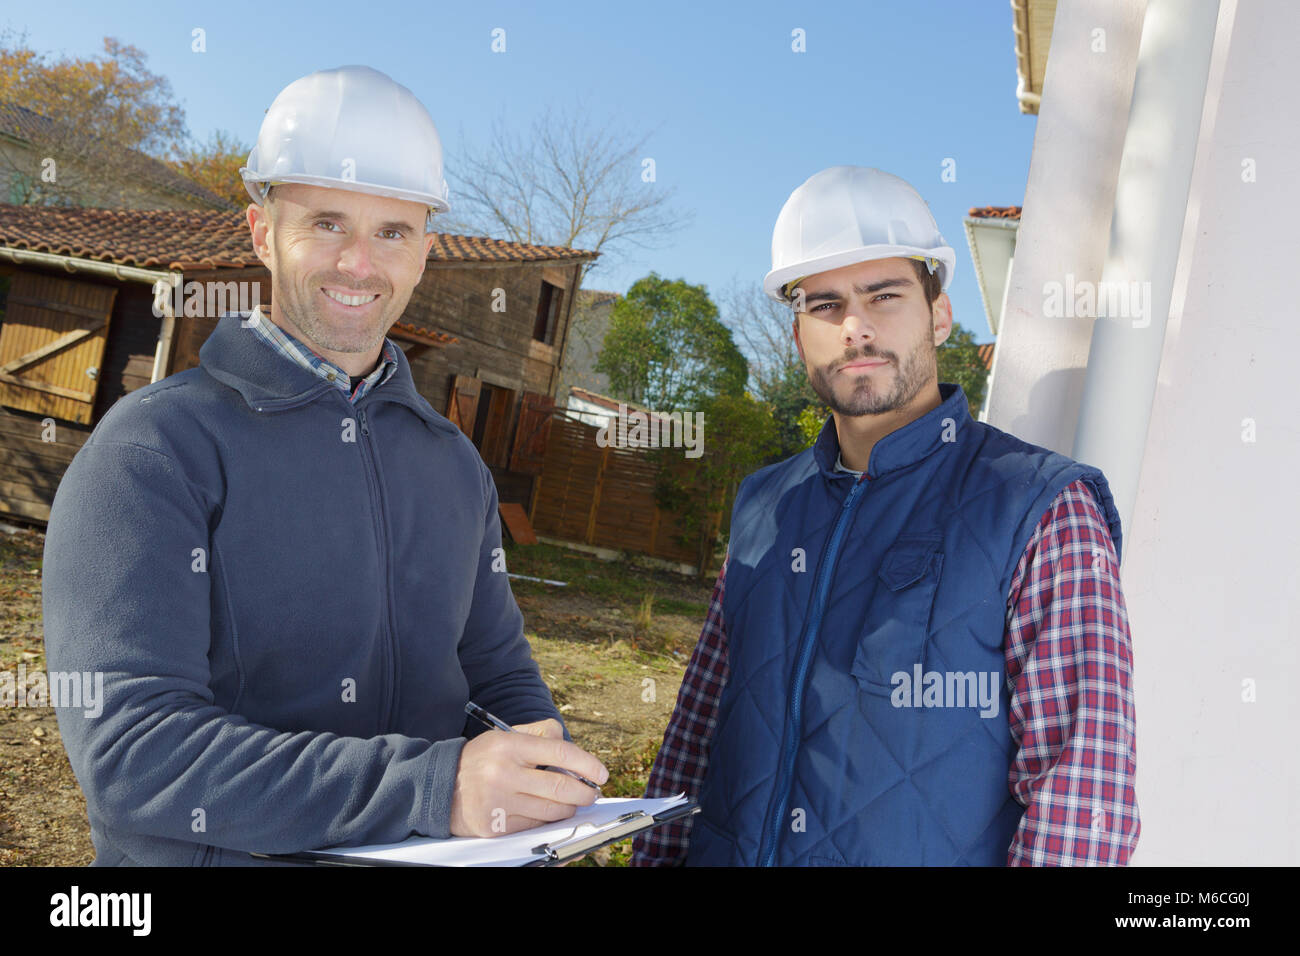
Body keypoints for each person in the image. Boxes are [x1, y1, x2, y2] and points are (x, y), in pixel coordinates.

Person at [42, 65, 606, 867]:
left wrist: (544, 776)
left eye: (393, 232)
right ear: (261, 231)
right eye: (328, 223)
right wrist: (430, 788)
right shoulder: (152, 450)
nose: (359, 264)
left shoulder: (455, 468)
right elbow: (133, 755)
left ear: (424, 254)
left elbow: (496, 674)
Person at [632, 166, 1139, 866]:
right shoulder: (764, 502)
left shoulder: (1041, 508)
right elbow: (697, 731)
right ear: (797, 333)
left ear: (939, 313)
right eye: (825, 304)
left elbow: (1083, 795)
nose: (856, 328)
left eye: (884, 296)